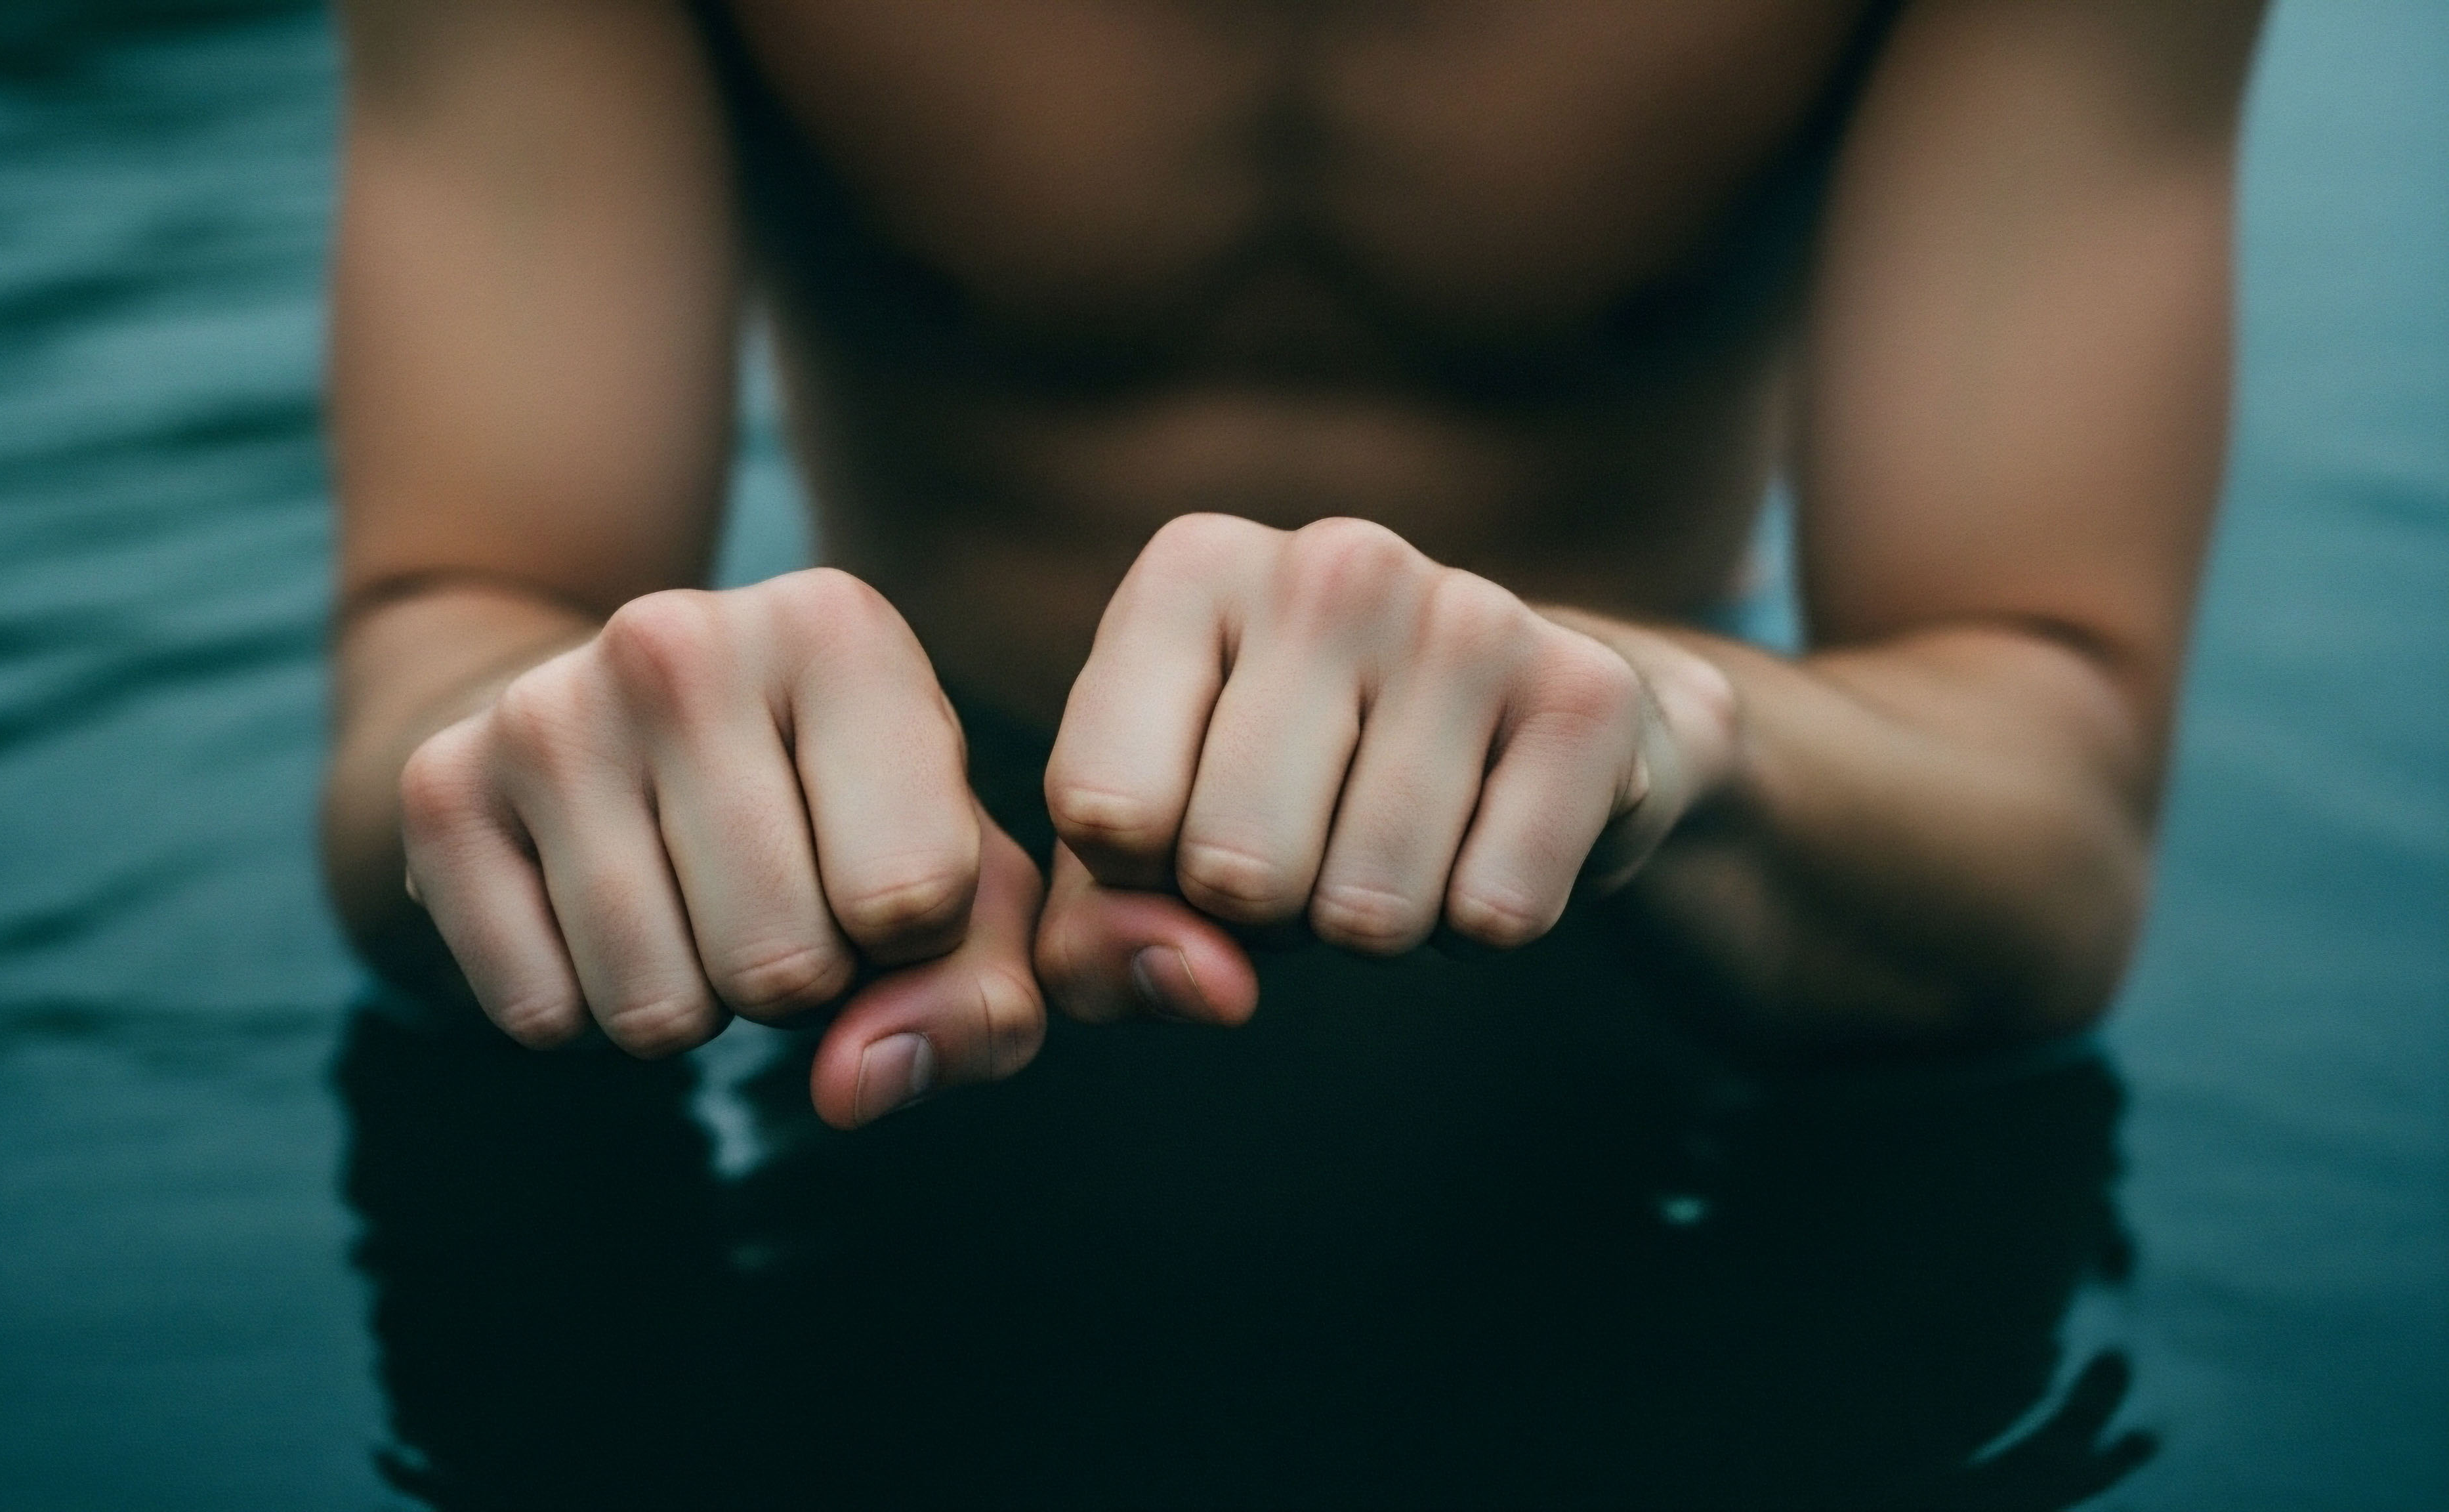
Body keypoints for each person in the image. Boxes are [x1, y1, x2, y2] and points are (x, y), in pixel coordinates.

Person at [318, 0, 2261, 1502]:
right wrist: (563, 761)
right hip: (895, 1021)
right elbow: (456, 623)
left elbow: (2052, 796)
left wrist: (1669, 730)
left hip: (1626, 992)